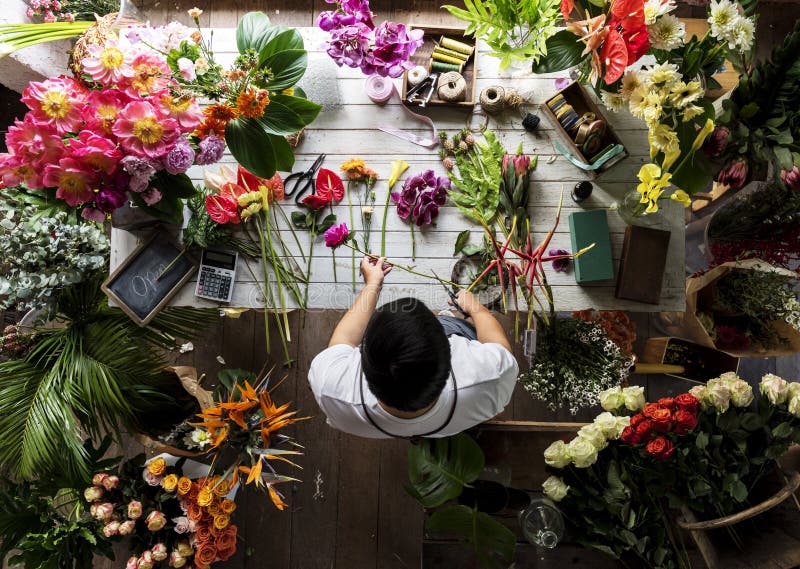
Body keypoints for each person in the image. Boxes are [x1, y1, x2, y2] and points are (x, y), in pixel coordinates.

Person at [308, 256, 518, 439]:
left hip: (395, 426)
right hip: (452, 416)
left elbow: (342, 340)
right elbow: (499, 345)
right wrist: (476, 308)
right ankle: (445, 323)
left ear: (363, 361)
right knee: (451, 325)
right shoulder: (490, 378)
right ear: (449, 354)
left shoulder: (330, 389)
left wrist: (373, 285)